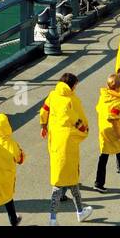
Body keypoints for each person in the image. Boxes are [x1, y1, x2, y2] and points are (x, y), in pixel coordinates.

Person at [39, 73, 93, 224]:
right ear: (72, 85)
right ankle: (77, 213)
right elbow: (77, 120)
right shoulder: (71, 100)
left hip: (55, 141)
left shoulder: (53, 95)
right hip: (68, 142)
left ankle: (55, 218)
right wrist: (84, 130)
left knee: (58, 181)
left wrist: (44, 126)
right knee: (72, 180)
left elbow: (44, 111)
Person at [94, 73, 120, 189]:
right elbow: (113, 118)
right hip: (115, 131)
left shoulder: (103, 97)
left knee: (103, 157)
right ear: (119, 87)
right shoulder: (118, 102)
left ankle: (99, 182)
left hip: (104, 131)